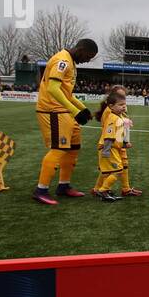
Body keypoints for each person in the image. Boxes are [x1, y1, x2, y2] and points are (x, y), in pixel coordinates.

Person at [34, 38, 100, 205]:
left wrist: (82, 108)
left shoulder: (71, 62)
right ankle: (41, 190)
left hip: (64, 110)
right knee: (59, 149)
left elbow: (67, 94)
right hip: (53, 110)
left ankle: (63, 186)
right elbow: (52, 89)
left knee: (73, 148)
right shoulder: (62, 60)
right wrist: (75, 111)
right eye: (89, 56)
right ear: (81, 49)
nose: (88, 60)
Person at [93, 91, 132, 202]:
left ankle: (104, 191)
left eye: (124, 105)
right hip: (109, 149)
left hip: (113, 148)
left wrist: (124, 144)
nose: (123, 107)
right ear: (111, 106)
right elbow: (109, 136)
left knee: (109, 172)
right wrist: (106, 151)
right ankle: (102, 190)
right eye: (120, 105)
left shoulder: (118, 117)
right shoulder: (112, 118)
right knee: (117, 170)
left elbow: (117, 135)